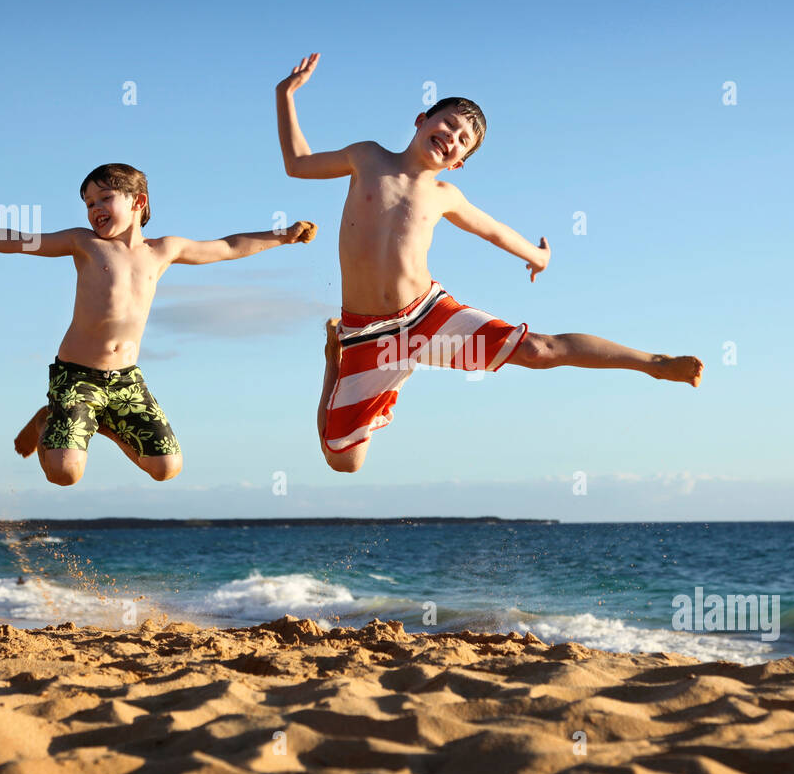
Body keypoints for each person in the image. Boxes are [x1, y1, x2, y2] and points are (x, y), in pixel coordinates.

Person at [274, 53, 701, 473]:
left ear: (458, 163)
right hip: (369, 336)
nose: (452, 137)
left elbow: (493, 230)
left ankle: (653, 364)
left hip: (429, 318)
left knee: (538, 350)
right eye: (449, 124)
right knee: (344, 461)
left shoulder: (446, 195)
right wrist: (285, 95)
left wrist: (538, 256)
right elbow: (297, 164)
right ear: (421, 120)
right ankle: (334, 357)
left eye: (463, 141)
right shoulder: (366, 156)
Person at [0, 163, 316, 485]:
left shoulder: (164, 250)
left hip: (126, 379)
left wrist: (282, 235)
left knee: (166, 468)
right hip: (76, 377)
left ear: (138, 201)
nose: (94, 209)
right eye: (89, 203)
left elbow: (229, 247)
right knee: (64, 473)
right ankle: (51, 417)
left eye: (103, 198)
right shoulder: (84, 243)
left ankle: (100, 423)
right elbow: (19, 239)